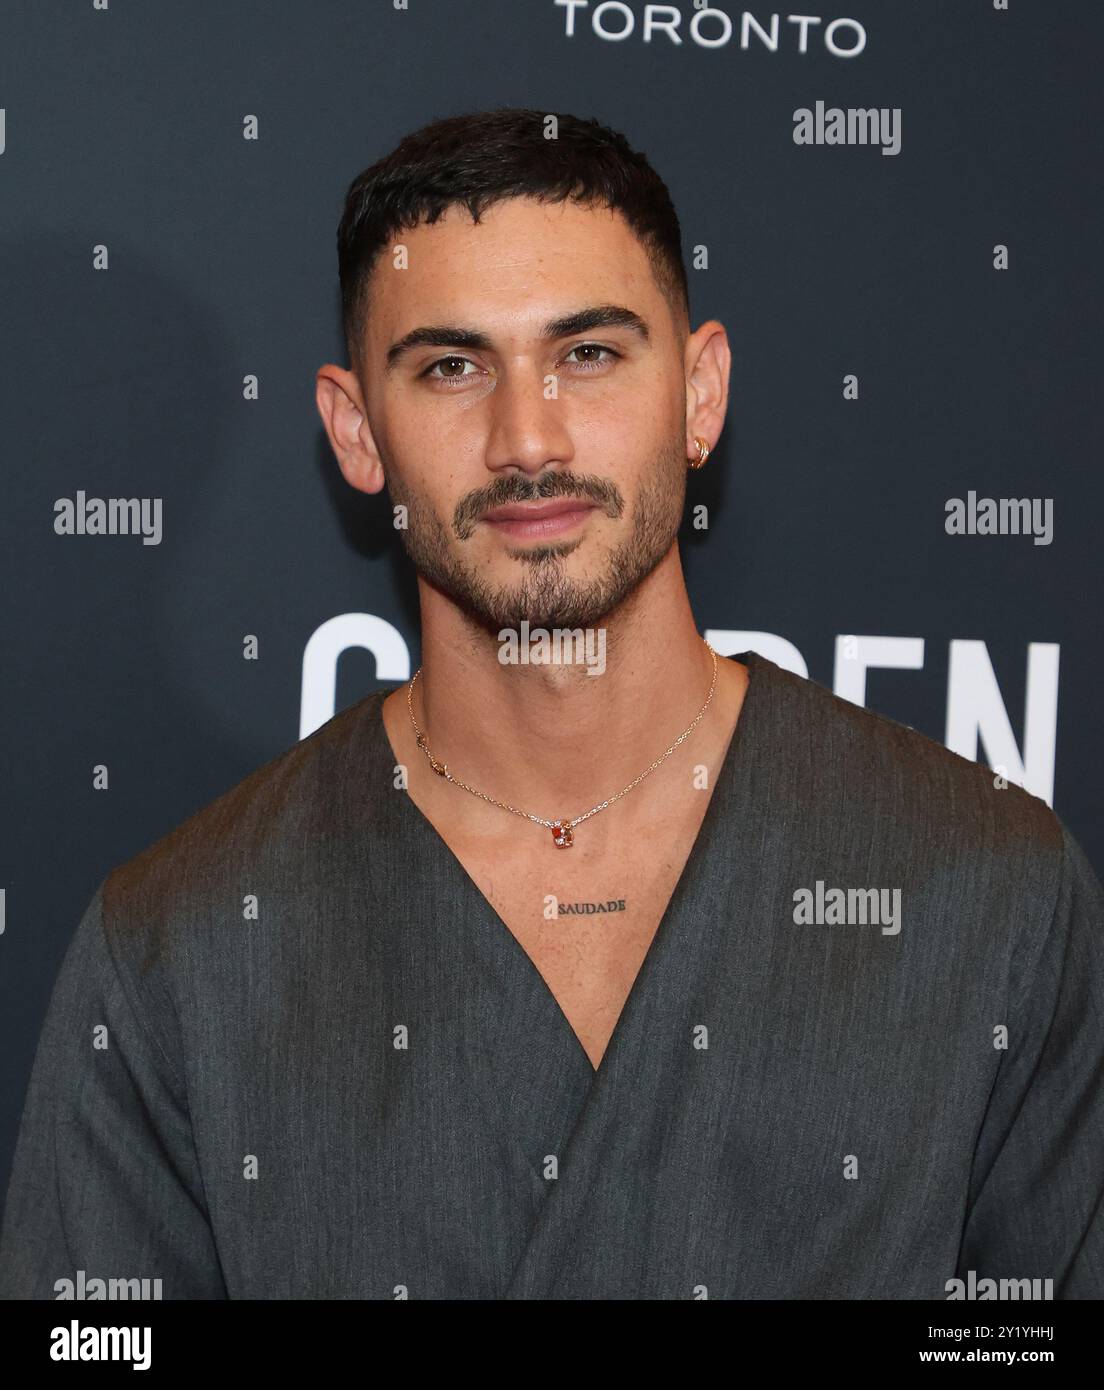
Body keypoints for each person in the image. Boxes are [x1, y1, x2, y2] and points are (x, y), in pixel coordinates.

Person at [2, 108, 1101, 1301]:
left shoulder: (986, 888)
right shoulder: (183, 949)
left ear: (700, 391)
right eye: (452, 367)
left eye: (589, 353)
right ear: (357, 433)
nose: (527, 440)